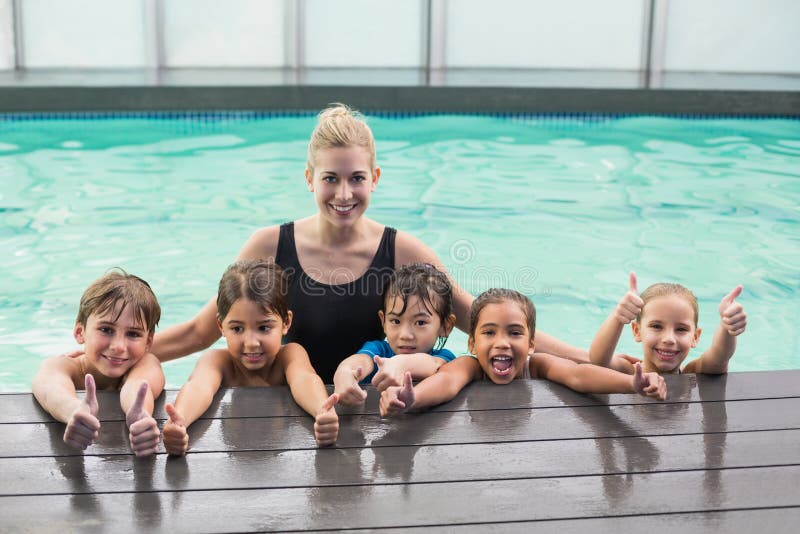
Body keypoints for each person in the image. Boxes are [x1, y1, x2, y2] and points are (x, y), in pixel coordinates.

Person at [151, 104, 589, 383]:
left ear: (374, 179)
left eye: (356, 178)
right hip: (283, 415)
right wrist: (105, 355)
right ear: (309, 180)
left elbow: (481, 321)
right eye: (330, 179)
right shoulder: (268, 246)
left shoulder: (404, 253)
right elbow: (201, 330)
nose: (344, 194)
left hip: (377, 413)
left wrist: (592, 359)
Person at [380, 288, 666, 416]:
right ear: (471, 343)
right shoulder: (471, 366)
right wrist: (413, 398)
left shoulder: (535, 364)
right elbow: (447, 382)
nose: (502, 342)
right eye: (489, 332)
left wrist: (631, 384)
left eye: (515, 332)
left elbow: (578, 375)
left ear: (531, 344)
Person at [161, 260, 338, 455]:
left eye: (264, 328)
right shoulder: (218, 362)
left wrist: (322, 411)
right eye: (237, 329)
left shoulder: (289, 355)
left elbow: (304, 379)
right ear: (221, 327)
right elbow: (199, 387)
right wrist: (180, 422)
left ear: (286, 322)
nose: (251, 342)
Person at [32, 270, 164, 456]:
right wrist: (74, 410)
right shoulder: (66, 365)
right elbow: (49, 383)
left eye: (133, 334)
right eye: (106, 329)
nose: (118, 346)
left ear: (148, 342)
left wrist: (140, 414)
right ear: (80, 332)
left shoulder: (147, 364)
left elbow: (139, 386)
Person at [333, 263, 456, 405]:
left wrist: (401, 364)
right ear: (383, 321)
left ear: (446, 326)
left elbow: (432, 364)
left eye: (420, 323)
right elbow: (361, 360)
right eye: (396, 321)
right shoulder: (379, 351)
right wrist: (345, 372)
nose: (405, 335)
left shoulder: (444, 358)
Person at [588, 273, 746, 375]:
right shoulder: (628, 372)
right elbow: (599, 361)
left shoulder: (693, 374)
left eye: (681, 329)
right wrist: (618, 317)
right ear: (637, 331)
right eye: (656, 326)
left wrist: (727, 326)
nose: (669, 339)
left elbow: (720, 357)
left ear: (695, 337)